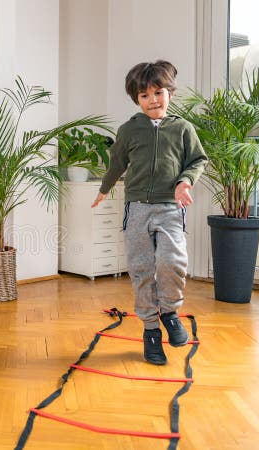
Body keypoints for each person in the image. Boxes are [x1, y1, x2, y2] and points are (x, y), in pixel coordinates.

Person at [92, 60, 207, 365]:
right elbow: (117, 164)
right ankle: (151, 331)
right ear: (136, 99)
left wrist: (185, 182)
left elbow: (197, 160)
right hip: (138, 209)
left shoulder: (183, 129)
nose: (152, 100)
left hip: (170, 208)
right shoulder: (129, 130)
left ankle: (170, 311)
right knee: (142, 270)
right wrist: (104, 189)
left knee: (172, 262)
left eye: (158, 92)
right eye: (144, 96)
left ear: (170, 92)